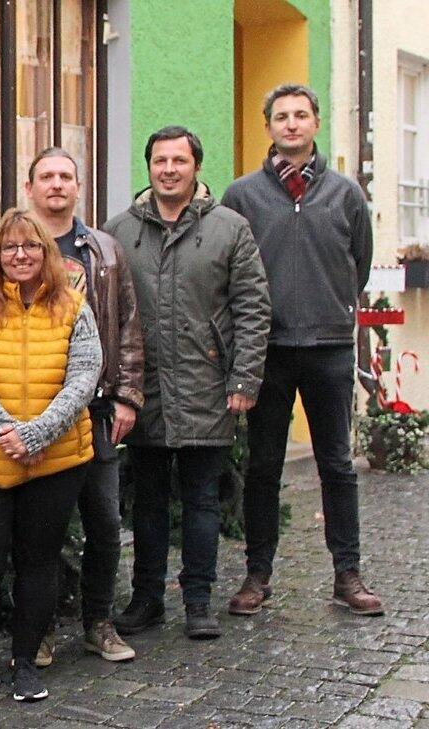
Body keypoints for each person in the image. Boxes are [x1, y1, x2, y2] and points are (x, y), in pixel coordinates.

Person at [101, 126, 271, 641]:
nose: (168, 169)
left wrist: (244, 377)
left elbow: (252, 307)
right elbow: (107, 314)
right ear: (148, 166)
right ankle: (147, 599)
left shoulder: (229, 228)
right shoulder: (119, 231)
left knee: (201, 500)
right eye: (159, 160)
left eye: (178, 160)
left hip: (207, 384)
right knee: (147, 500)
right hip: (141, 389)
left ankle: (198, 601)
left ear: (196, 166)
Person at [222, 83, 381, 617]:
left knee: (337, 464)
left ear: (315, 124)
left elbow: (357, 266)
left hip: (329, 347)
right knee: (264, 465)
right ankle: (257, 574)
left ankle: (348, 574)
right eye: (281, 117)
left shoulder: (346, 194)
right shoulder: (242, 196)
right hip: (266, 349)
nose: (291, 124)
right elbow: (230, 272)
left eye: (301, 115)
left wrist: (329, 309)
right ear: (268, 127)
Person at [0, 209, 102, 706]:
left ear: (47, 253)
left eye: (30, 246)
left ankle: (26, 662)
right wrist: (5, 429)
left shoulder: (75, 306)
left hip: (54, 462)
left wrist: (36, 435)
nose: (20, 255)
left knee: (38, 563)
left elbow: (85, 374)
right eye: (9, 248)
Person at [25, 147, 143, 664]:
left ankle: (99, 622)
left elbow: (130, 327)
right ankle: (41, 628)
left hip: (95, 411)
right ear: (30, 188)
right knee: (42, 528)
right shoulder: (14, 246)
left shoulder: (106, 251)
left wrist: (127, 397)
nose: (56, 184)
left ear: (79, 187)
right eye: (46, 176)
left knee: (103, 521)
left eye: (65, 176)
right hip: (34, 411)